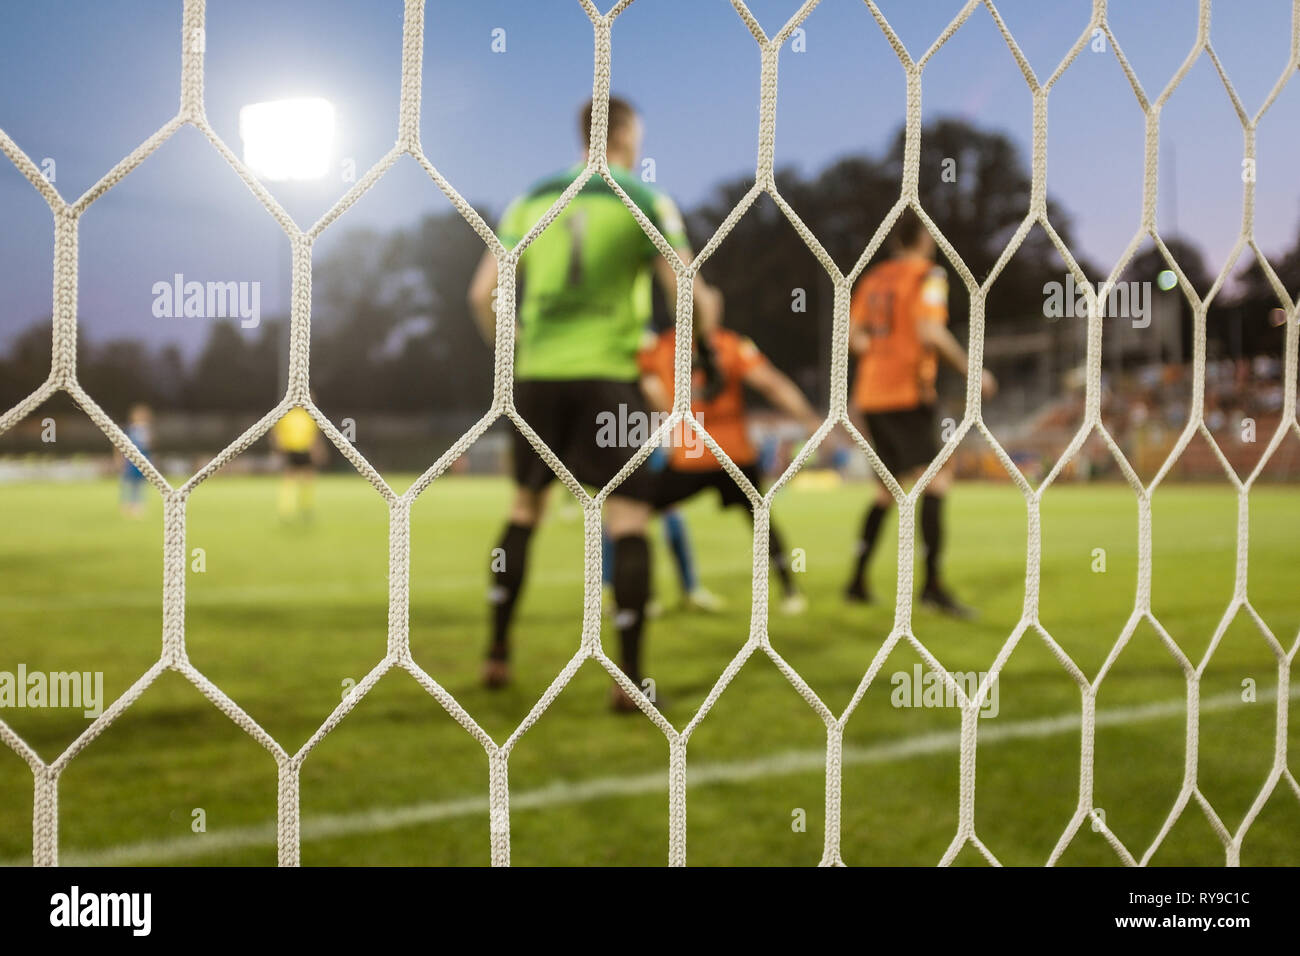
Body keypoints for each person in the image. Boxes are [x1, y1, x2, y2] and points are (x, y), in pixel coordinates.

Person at [468, 95, 719, 711]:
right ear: (628, 132)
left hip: (537, 378)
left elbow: (481, 295)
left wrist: (521, 349)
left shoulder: (531, 198)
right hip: (611, 380)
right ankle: (628, 679)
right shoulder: (641, 197)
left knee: (526, 509)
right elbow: (689, 292)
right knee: (628, 518)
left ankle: (497, 652)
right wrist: (703, 347)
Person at [844, 208, 996, 617]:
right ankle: (931, 587)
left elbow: (854, 339)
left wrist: (881, 350)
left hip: (871, 393)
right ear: (925, 240)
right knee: (939, 482)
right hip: (906, 394)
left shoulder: (873, 279)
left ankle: (856, 582)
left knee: (885, 491)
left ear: (894, 241)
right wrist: (972, 370)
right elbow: (930, 331)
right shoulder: (929, 275)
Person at [637, 317, 823, 615]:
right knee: (761, 521)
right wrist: (809, 419)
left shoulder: (661, 346)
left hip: (691, 452)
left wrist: (667, 413)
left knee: (637, 514)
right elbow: (771, 383)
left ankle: (641, 597)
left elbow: (647, 385)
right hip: (732, 454)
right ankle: (790, 591)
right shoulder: (731, 344)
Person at [271, 404, 326, 522]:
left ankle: (306, 507)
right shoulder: (287, 415)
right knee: (289, 480)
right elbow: (277, 433)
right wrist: (279, 447)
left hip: (305, 450)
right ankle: (286, 510)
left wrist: (318, 450)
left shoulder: (310, 416)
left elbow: (315, 436)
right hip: (291, 450)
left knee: (308, 480)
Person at [120, 403, 154, 518]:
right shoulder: (130, 429)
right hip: (130, 460)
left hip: (143, 459)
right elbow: (119, 444)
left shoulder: (146, 430)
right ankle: (126, 505)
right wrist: (119, 459)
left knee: (139, 484)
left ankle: (138, 506)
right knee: (128, 483)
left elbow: (149, 446)